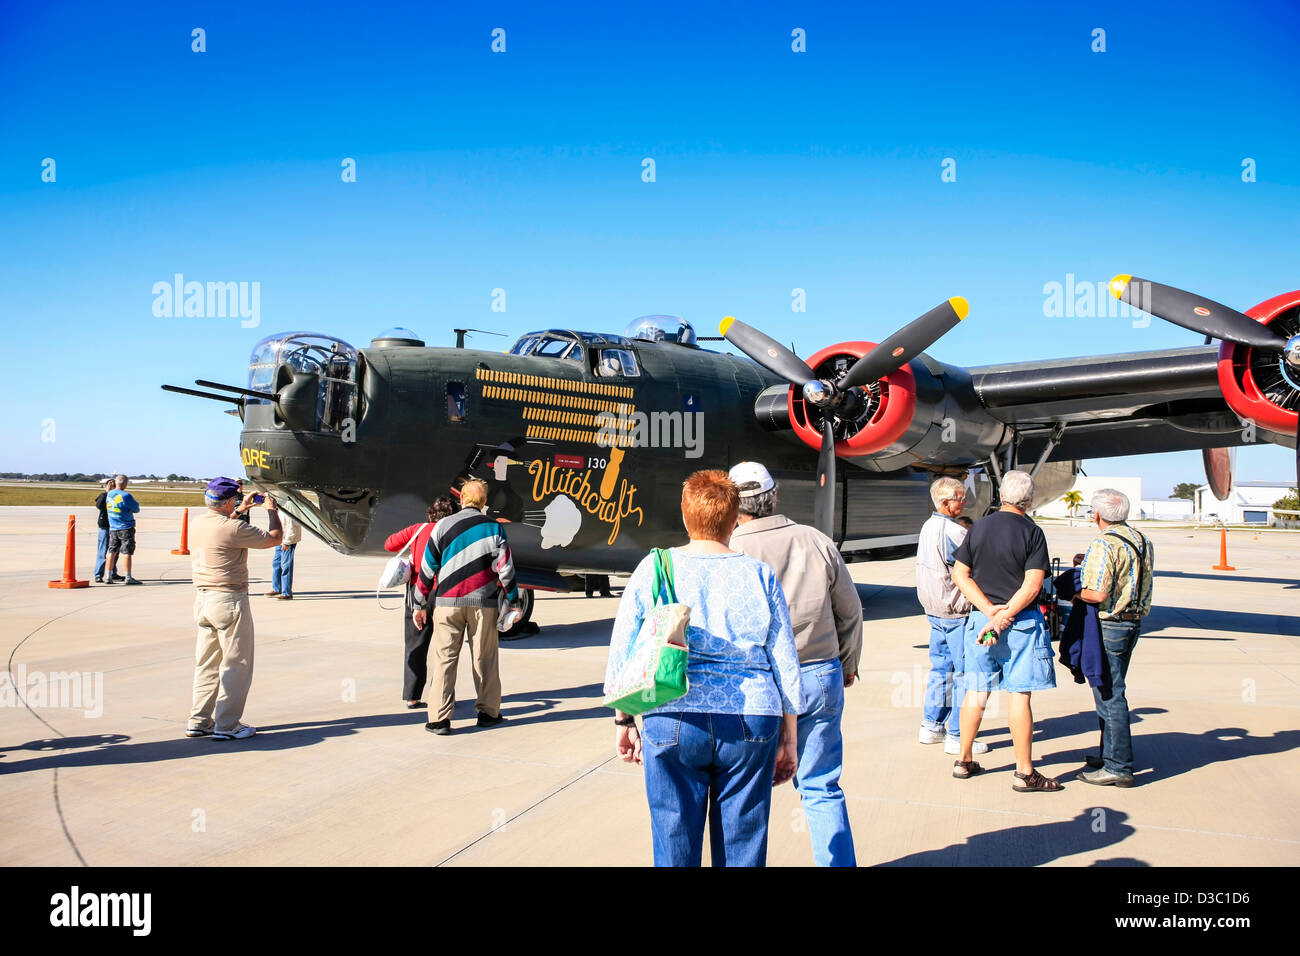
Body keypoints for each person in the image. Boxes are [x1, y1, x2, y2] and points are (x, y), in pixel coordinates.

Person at [605, 470, 803, 867]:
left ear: (684, 515)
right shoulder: (759, 574)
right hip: (751, 718)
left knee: (674, 836)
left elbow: (623, 647)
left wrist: (624, 719)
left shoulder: (655, 568)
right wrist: (790, 738)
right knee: (743, 840)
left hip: (673, 713)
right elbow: (784, 659)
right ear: (735, 520)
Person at [728, 461, 862, 867]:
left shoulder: (730, 550)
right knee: (821, 786)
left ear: (733, 505)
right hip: (819, 672)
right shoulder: (816, 540)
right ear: (774, 496)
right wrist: (848, 662)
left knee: (747, 790)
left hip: (757, 683)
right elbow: (850, 611)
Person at [950, 470, 1059, 792]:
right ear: (1029, 498)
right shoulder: (1032, 532)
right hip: (1021, 624)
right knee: (1019, 695)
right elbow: (1033, 583)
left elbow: (960, 574)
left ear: (1002, 495)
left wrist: (988, 612)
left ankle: (964, 759)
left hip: (979, 622)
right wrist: (1006, 615)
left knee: (976, 691)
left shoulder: (978, 527)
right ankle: (1024, 771)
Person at [411, 481, 521, 734]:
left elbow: (427, 570)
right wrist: (514, 602)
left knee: (444, 659)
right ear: (483, 503)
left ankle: (439, 719)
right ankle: (488, 713)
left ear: (462, 499)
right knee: (485, 658)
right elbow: (506, 570)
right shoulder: (494, 528)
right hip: (483, 603)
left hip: (447, 603)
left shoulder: (442, 526)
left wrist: (419, 604)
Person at [187, 478, 282, 741]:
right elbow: (275, 538)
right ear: (229, 502)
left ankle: (199, 720)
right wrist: (272, 510)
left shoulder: (197, 523)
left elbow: (226, 526)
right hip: (228, 599)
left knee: (206, 663)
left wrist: (240, 510)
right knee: (236, 664)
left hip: (203, 599)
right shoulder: (233, 527)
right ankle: (227, 724)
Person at [1074, 489, 1154, 787]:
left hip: (1111, 624)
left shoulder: (1104, 543)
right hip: (1133, 622)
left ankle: (1118, 765)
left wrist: (1074, 592)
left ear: (1097, 514)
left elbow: (1097, 594)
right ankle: (1109, 753)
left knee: (1109, 693)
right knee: (1110, 689)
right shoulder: (1142, 540)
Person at [915, 477, 988, 757]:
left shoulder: (927, 527)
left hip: (935, 611)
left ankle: (932, 725)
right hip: (957, 613)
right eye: (959, 498)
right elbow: (968, 570)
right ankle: (957, 733)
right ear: (945, 503)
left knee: (941, 670)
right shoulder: (955, 532)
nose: (964, 501)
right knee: (966, 674)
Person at [386, 498, 455, 708]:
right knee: (446, 648)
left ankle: (412, 696)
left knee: (415, 645)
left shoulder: (418, 529)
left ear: (430, 514)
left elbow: (389, 544)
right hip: (444, 593)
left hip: (417, 593)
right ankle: (441, 695)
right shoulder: (451, 533)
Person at [104, 475, 142, 585]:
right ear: (125, 484)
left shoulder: (109, 494)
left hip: (113, 527)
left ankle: (108, 576)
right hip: (126, 527)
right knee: (127, 552)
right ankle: (128, 577)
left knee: (111, 551)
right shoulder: (126, 496)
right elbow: (136, 509)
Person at [265, 511, 301, 600]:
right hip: (280, 539)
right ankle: (277, 588)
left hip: (287, 541)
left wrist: (287, 542)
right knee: (276, 564)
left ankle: (287, 592)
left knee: (286, 566)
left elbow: (292, 527)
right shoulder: (279, 509)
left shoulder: (289, 508)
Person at [93, 477, 114, 583]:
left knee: (115, 552)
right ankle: (98, 574)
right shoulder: (103, 496)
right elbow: (99, 505)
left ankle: (112, 572)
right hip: (105, 526)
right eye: (109, 484)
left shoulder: (117, 496)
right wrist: (107, 492)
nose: (111, 486)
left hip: (116, 526)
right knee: (102, 552)